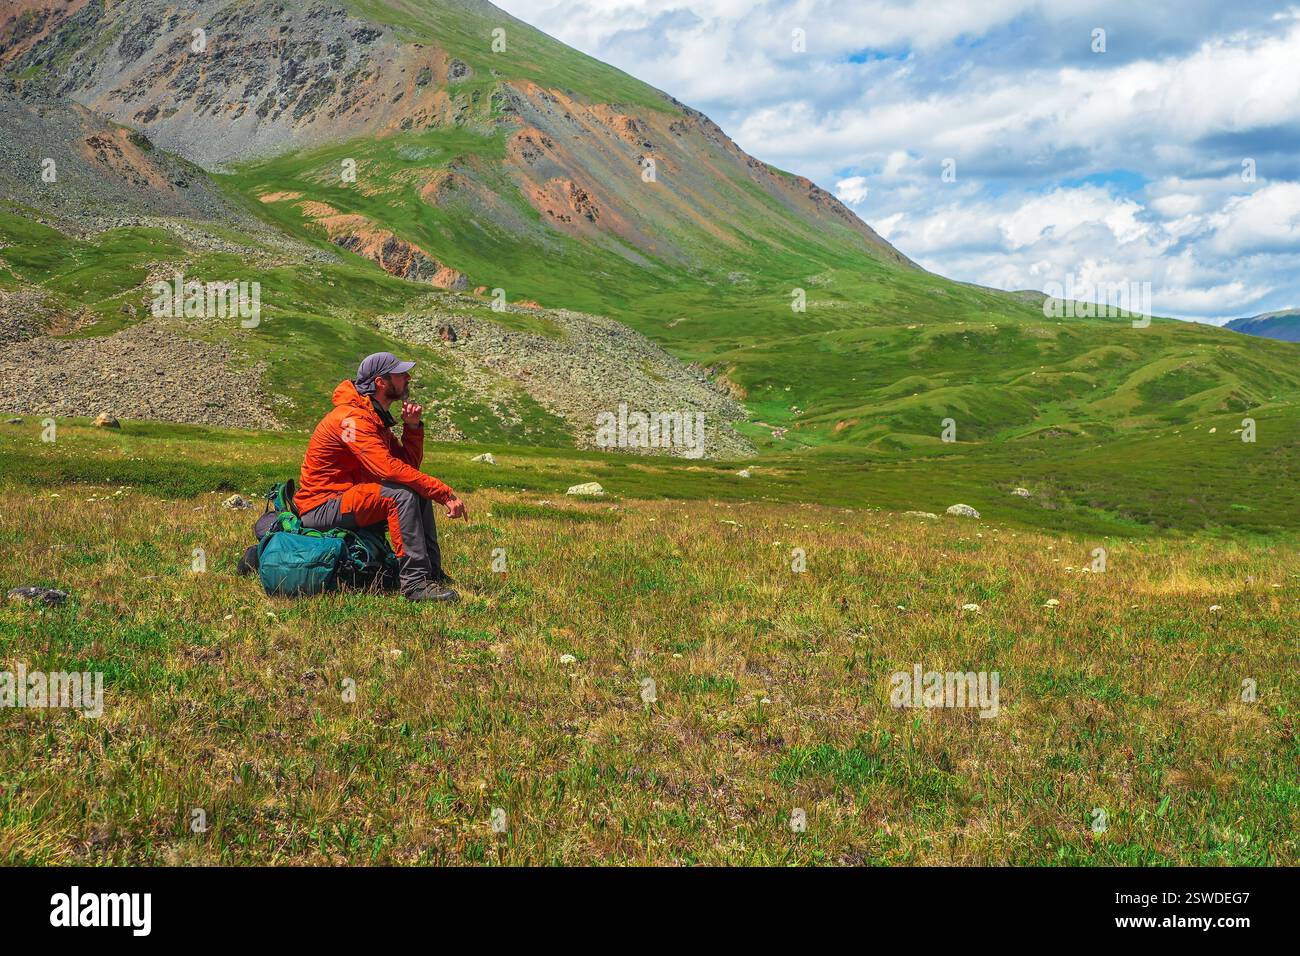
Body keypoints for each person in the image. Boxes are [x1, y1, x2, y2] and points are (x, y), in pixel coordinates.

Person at [295, 351, 467, 602]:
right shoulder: (352, 419)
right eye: (400, 374)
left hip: (346, 499)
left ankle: (431, 573)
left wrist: (412, 428)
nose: (408, 377)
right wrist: (444, 493)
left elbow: (406, 466)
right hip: (321, 506)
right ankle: (415, 585)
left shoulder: (373, 417)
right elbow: (387, 469)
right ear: (380, 382)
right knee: (399, 495)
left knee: (411, 490)